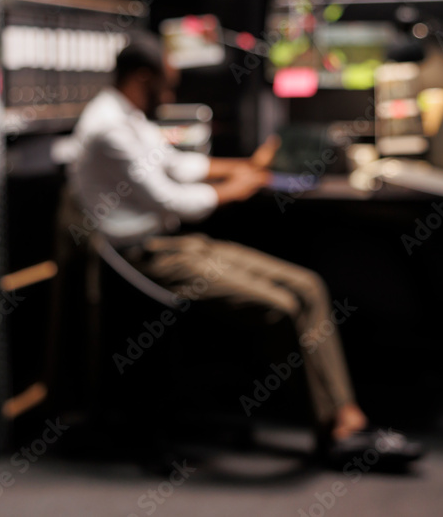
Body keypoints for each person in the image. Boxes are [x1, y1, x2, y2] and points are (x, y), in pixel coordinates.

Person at [70, 31, 422, 464]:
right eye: (168, 82)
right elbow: (173, 199)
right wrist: (237, 187)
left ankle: (346, 418)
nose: (172, 92)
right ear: (144, 77)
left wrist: (245, 166)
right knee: (282, 305)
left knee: (309, 285)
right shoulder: (107, 126)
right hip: (144, 258)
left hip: (174, 243)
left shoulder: (128, 115)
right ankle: (339, 430)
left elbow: (177, 163)